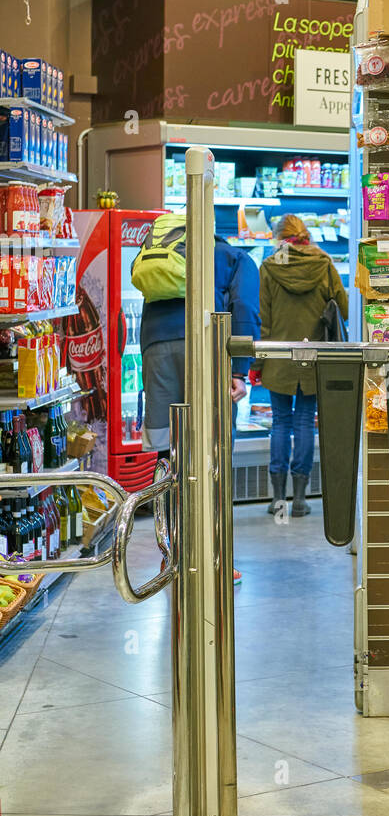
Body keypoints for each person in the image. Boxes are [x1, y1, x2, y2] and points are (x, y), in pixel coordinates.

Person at [136, 216, 260, 582]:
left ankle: (172, 556)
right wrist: (239, 371)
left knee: (170, 457)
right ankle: (216, 559)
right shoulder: (237, 259)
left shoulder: (167, 260)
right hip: (204, 349)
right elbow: (246, 312)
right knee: (213, 456)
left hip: (156, 349)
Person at [251, 213, 348, 517]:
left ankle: (277, 497)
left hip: (278, 355)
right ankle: (301, 499)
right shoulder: (323, 263)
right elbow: (342, 307)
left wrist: (257, 362)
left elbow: (262, 318)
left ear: (280, 237)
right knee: (305, 422)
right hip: (313, 355)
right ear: (306, 234)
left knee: (281, 422)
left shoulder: (269, 266)